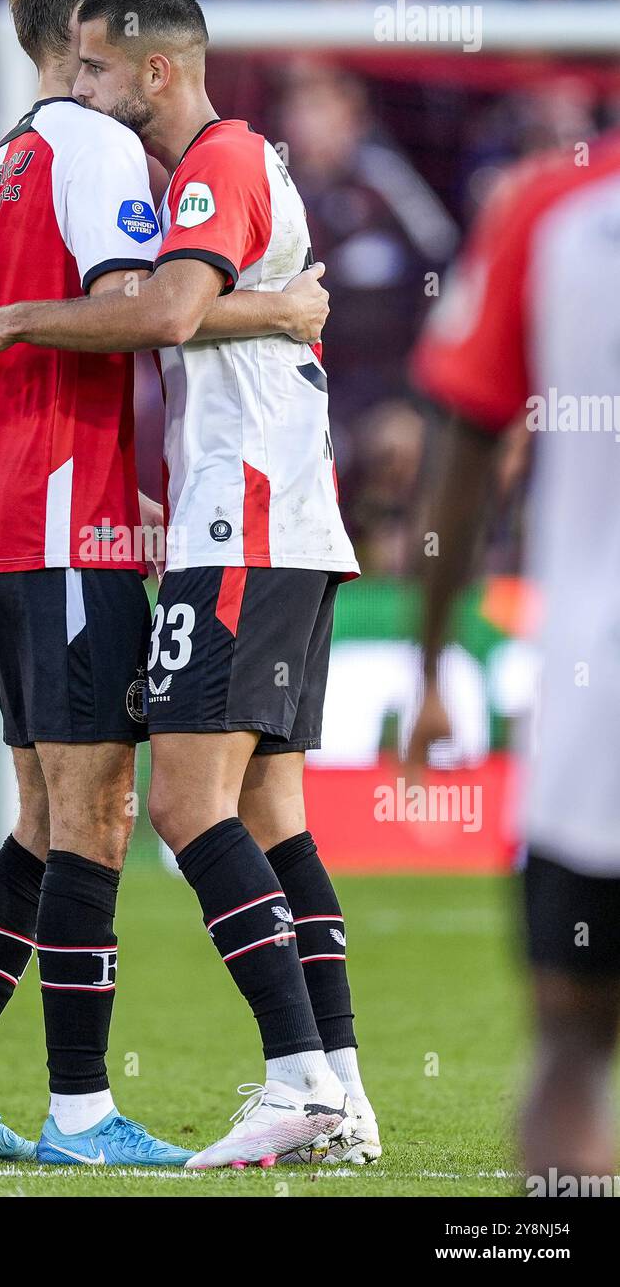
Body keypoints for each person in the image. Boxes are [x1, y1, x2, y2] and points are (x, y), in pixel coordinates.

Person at [0, 0, 329, 1168]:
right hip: (64, 517)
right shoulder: (87, 145)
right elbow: (148, 304)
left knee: (43, 817)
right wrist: (279, 305)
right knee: (99, 812)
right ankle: (81, 1113)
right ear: (79, 42)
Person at [408, 134, 620, 1194]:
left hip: (598, 708)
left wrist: (430, 659)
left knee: (571, 1042)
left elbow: (459, 457)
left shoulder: (553, 207)